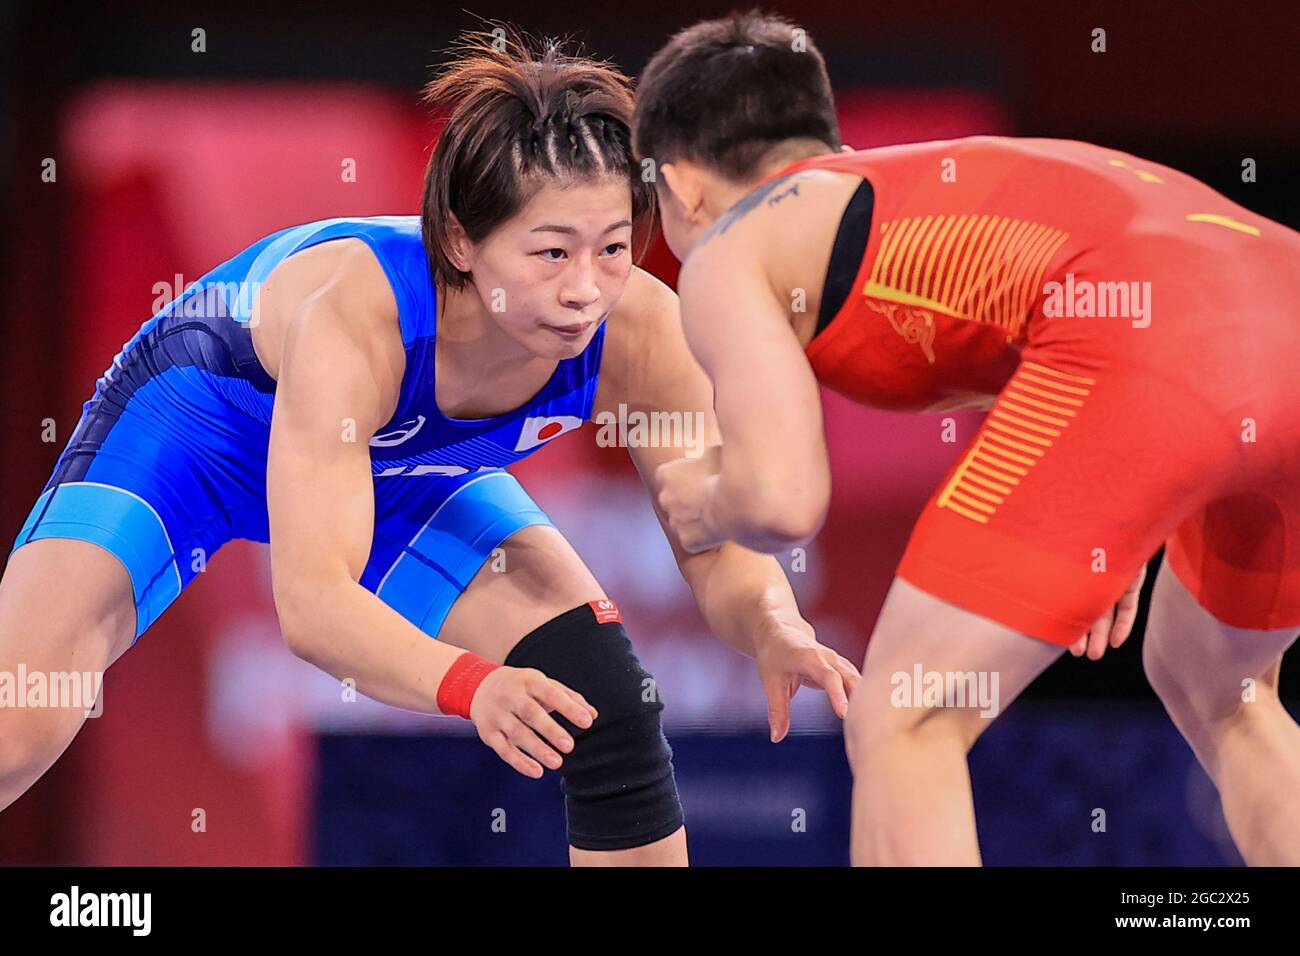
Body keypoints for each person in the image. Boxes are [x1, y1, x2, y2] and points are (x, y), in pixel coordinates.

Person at [0, 27, 859, 866]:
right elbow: (313, 606)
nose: (586, 290)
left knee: (604, 705)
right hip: (194, 432)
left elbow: (708, 538)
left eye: (611, 248)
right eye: (551, 252)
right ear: (458, 239)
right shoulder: (357, 318)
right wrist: (471, 684)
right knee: (22, 726)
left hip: (400, 468)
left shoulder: (643, 332)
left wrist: (771, 622)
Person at [634, 10, 1300, 865]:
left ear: (682, 186)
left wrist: (704, 500)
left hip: (1153, 346)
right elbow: (1120, 287)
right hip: (1273, 293)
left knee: (906, 711)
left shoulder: (733, 240)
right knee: (1224, 690)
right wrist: (1120, 525)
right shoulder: (915, 187)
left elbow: (780, 497)